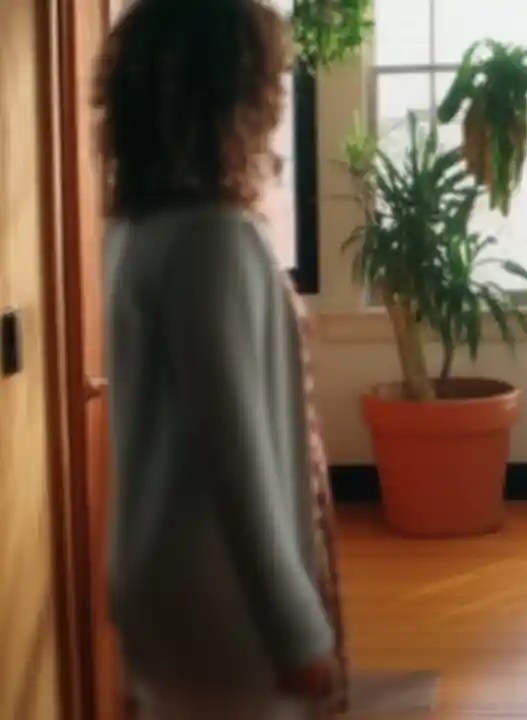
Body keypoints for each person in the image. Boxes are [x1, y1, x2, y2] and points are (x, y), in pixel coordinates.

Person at [94, 1, 347, 717]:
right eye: (270, 85)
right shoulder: (214, 240)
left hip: (153, 577)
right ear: (229, 99)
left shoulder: (130, 233)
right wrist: (297, 627)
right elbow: (235, 459)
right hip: (224, 594)